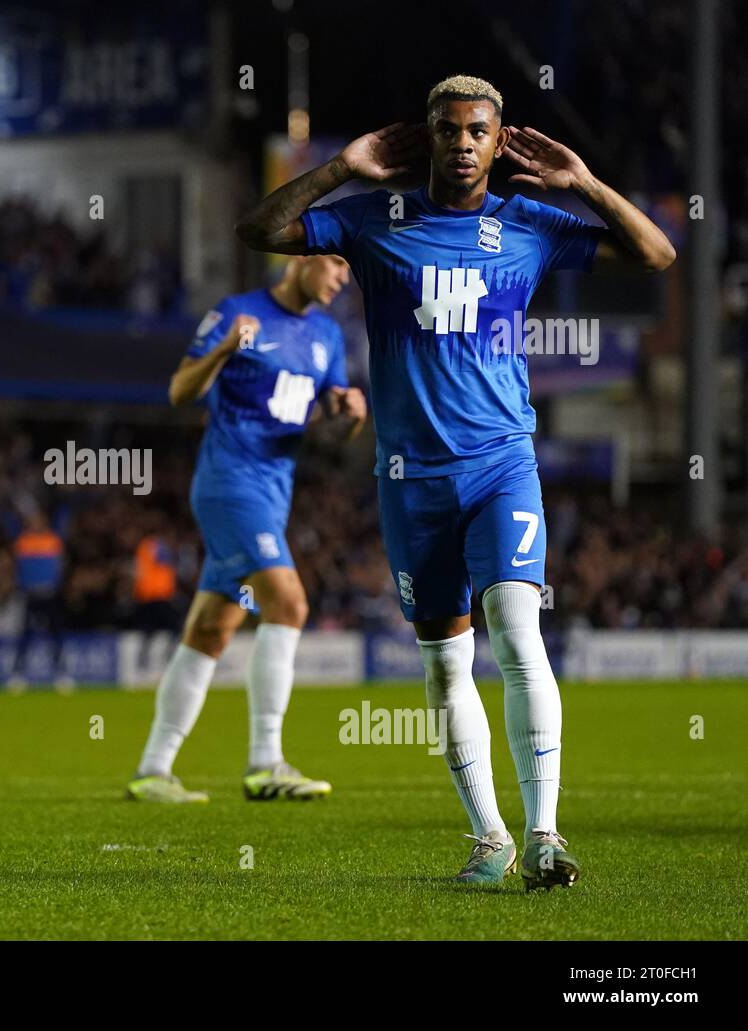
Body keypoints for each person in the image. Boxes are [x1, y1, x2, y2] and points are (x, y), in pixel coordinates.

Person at [235, 75, 675, 887]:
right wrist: (342, 166)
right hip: (410, 479)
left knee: (516, 629)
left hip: (501, 462)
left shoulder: (529, 224)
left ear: (499, 142)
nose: (463, 143)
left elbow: (657, 253)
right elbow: (260, 229)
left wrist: (582, 183)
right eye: (449, 130)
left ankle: (544, 834)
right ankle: (490, 837)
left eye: (478, 131)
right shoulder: (375, 219)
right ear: (429, 138)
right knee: (443, 664)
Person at [127, 255, 366, 803]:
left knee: (211, 630)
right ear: (301, 259)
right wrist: (224, 349)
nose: (342, 278)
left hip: (273, 492)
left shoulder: (328, 336)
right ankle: (266, 764)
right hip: (229, 483)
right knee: (289, 602)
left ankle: (153, 770)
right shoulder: (238, 314)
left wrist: (349, 414)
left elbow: (327, 432)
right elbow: (180, 391)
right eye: (335, 263)